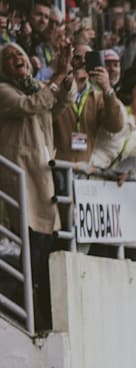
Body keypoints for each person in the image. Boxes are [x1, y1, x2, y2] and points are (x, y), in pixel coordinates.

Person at [0, 40, 73, 330]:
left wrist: (65, 77)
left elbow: (57, 105)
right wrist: (55, 79)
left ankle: (38, 311)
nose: (16, 57)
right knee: (26, 246)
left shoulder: (37, 89)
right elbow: (30, 105)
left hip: (42, 180)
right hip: (19, 179)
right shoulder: (4, 91)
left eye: (19, 52)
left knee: (42, 250)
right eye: (8, 56)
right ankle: (23, 311)